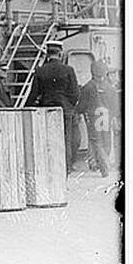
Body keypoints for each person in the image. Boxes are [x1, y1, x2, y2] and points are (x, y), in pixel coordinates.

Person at [29, 41, 81, 172]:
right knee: (65, 141)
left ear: (47, 54)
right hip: (65, 111)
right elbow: (75, 93)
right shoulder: (68, 70)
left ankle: (50, 168)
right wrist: (69, 106)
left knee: (47, 141)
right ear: (60, 53)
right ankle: (66, 169)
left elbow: (34, 93)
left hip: (46, 110)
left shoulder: (40, 71)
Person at [76, 69, 110, 177]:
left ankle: (103, 168)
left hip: (93, 117)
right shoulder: (109, 87)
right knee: (105, 141)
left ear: (92, 73)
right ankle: (100, 164)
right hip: (106, 117)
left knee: (96, 142)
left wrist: (78, 111)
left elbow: (82, 105)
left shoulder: (88, 87)